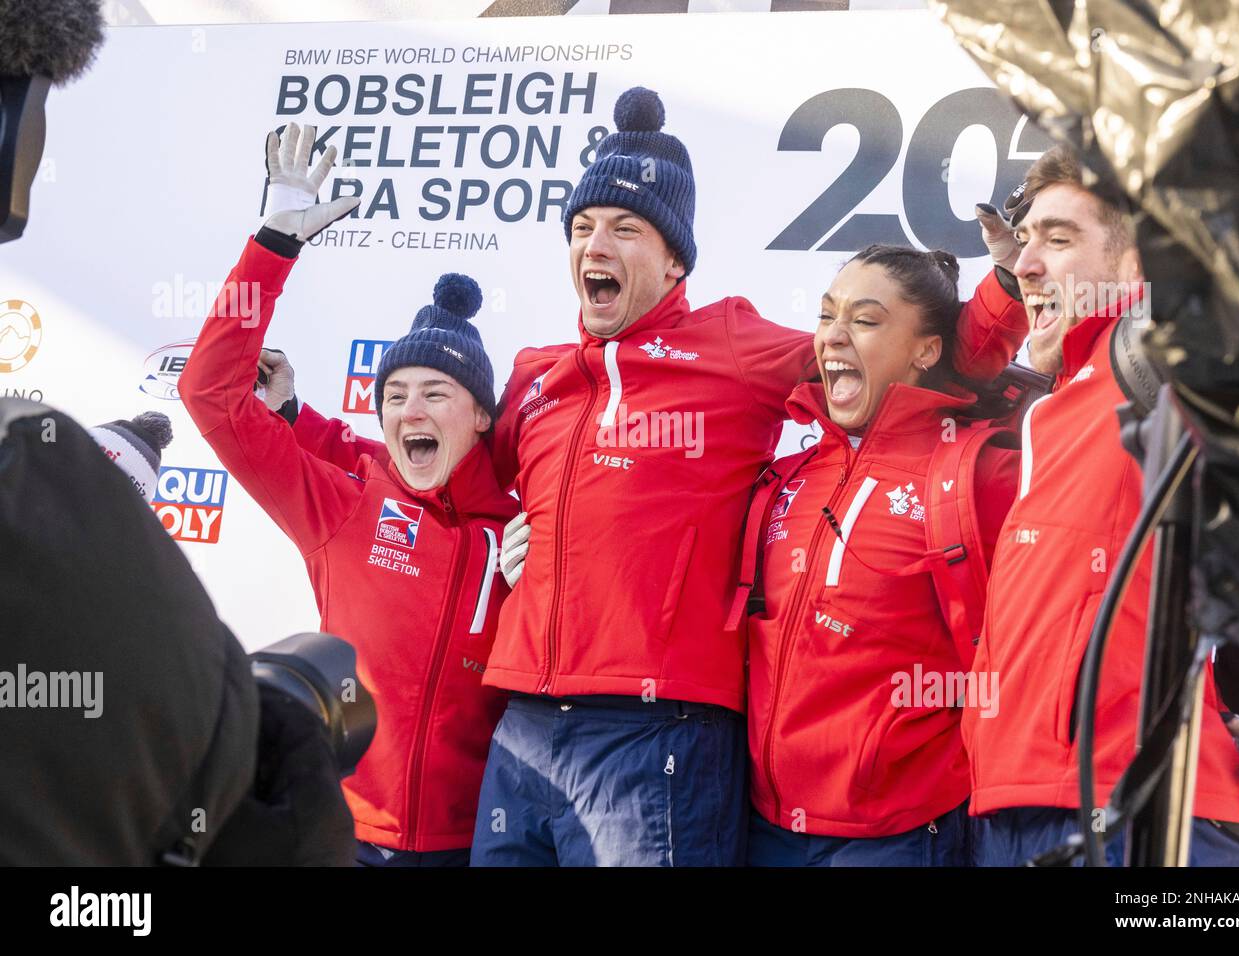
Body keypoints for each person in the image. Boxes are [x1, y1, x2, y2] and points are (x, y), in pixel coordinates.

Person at [274, 87, 1028, 866]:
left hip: (654, 730)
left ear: (673, 258)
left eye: (624, 229)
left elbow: (900, 361)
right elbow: (431, 474)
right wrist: (303, 424)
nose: (595, 245)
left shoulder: (733, 344)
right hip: (524, 729)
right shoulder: (537, 374)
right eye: (581, 228)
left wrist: (1005, 291)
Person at [178, 123, 519, 866]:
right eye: (394, 395)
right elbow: (210, 393)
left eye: (436, 393)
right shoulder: (346, 505)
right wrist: (274, 242)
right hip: (347, 840)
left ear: (483, 417)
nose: (412, 412)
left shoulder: (522, 530)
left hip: (484, 848)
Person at [965, 144, 1239, 866]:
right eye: (1026, 240)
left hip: (1133, 815)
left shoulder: (1146, 360)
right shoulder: (1052, 409)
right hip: (1011, 807)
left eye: (1060, 239)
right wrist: (1221, 711)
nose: (1025, 265)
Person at [743, 245, 1019, 865]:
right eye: (825, 315)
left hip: (897, 833)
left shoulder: (979, 474)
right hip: (762, 822)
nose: (834, 336)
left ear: (926, 350)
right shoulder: (791, 475)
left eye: (865, 321)